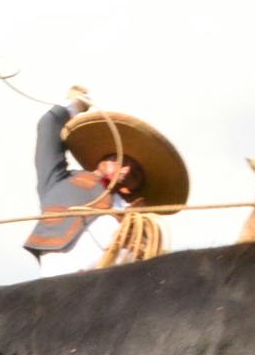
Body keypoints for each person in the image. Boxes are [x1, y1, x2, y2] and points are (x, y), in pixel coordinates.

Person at [24, 88, 190, 274]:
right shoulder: (60, 181)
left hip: (113, 286)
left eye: (135, 174)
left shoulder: (137, 220)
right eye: (122, 161)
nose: (126, 171)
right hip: (58, 277)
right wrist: (74, 105)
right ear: (103, 160)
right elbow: (49, 125)